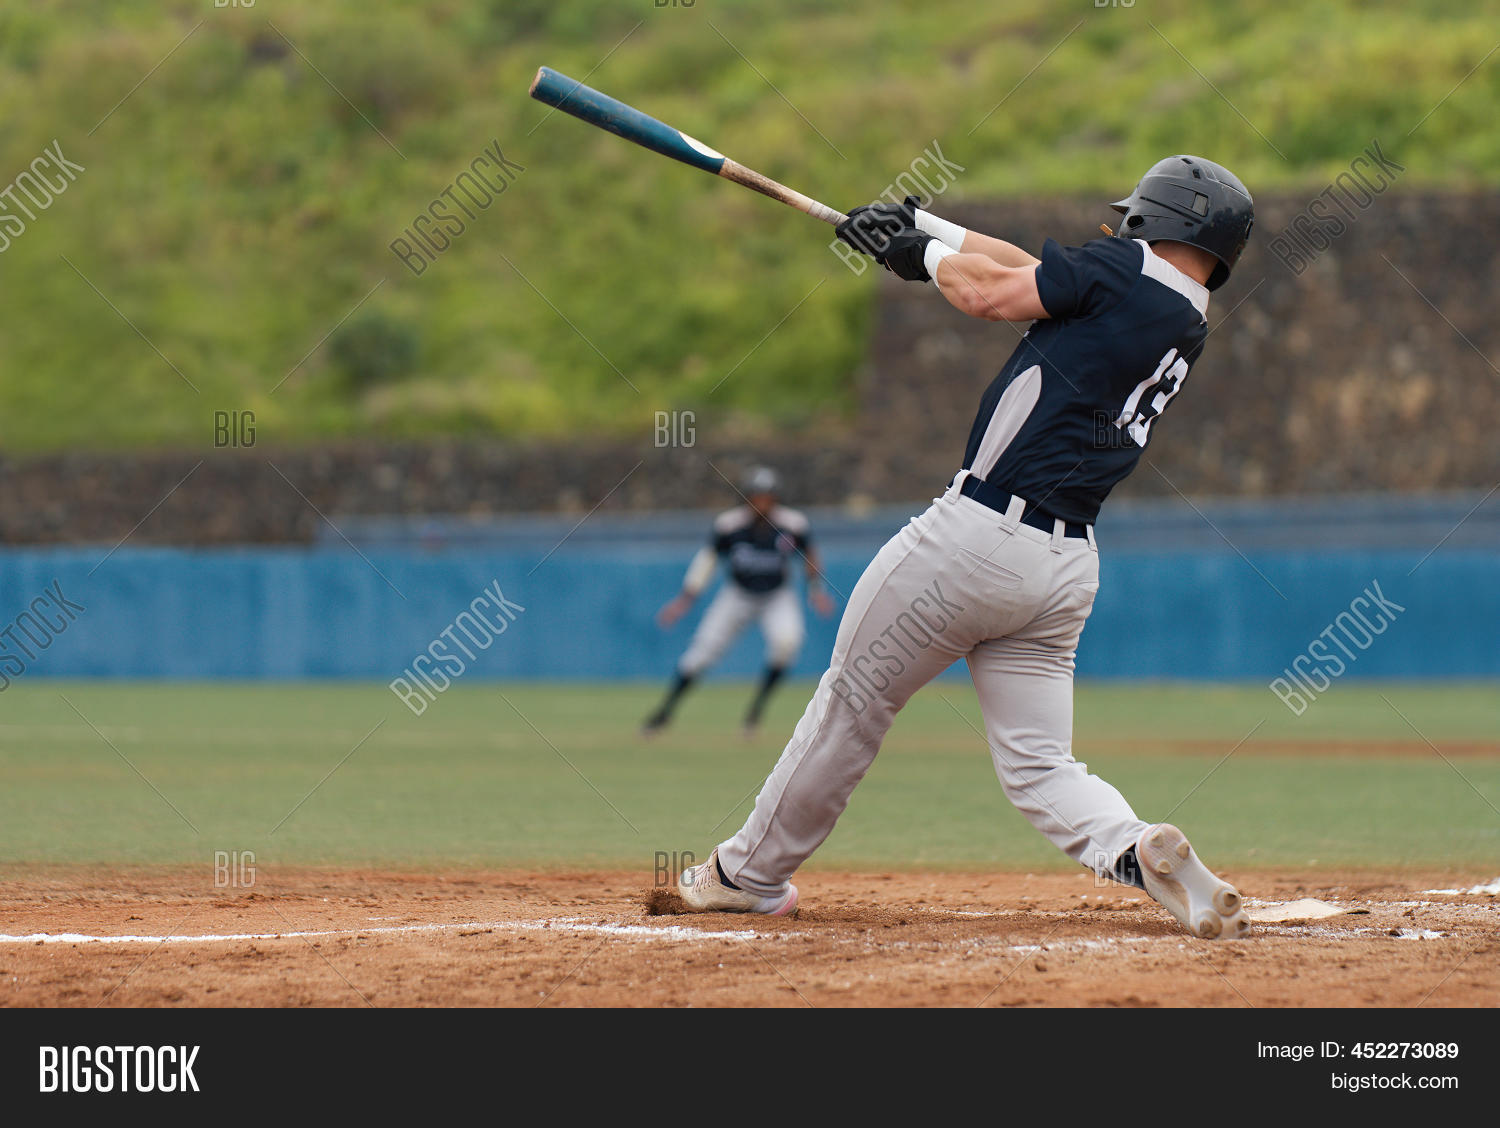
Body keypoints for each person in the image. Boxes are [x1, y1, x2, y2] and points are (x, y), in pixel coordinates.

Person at [677, 157, 1256, 939]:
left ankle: (746, 875)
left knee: (853, 703)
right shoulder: (1181, 314)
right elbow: (1027, 270)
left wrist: (914, 258)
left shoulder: (1122, 271)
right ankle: (1135, 846)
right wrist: (927, 230)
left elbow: (986, 292)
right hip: (1062, 568)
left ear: (1160, 219)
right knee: (1042, 763)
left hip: (973, 541)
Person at [644, 466, 835, 736]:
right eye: (757, 496)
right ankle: (663, 713)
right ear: (746, 498)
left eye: (767, 496)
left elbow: (810, 557)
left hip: (776, 595)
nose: (762, 502)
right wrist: (685, 599)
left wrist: (816, 591)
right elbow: (708, 561)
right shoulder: (730, 525)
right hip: (737, 594)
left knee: (786, 643)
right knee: (702, 652)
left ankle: (754, 714)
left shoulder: (792, 524)